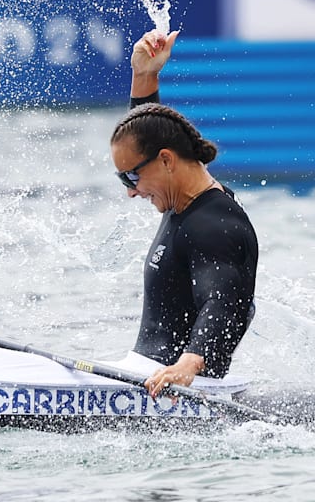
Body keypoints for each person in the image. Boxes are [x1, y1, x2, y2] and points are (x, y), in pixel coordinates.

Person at [110, 29, 258, 397]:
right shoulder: (186, 201)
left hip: (176, 391)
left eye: (131, 177)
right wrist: (144, 76)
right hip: (147, 377)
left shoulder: (215, 224)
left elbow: (227, 300)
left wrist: (189, 365)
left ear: (166, 160)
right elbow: (145, 135)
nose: (130, 191)